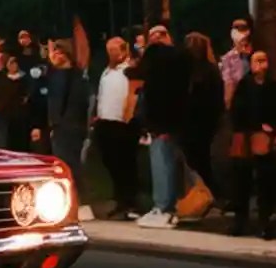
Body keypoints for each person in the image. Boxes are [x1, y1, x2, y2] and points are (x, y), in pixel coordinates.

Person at [134, 25, 191, 230]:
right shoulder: (170, 60)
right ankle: (165, 207)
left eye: (161, 34)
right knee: (163, 164)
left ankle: (164, 208)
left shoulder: (166, 60)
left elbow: (165, 94)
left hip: (164, 122)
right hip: (163, 121)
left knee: (162, 164)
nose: (156, 39)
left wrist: (162, 123)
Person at [229, 51, 276, 239]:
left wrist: (272, 129)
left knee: (266, 180)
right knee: (241, 179)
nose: (260, 64)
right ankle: (240, 220)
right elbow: (235, 109)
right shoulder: (244, 85)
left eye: (263, 60)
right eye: (257, 61)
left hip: (265, 137)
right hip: (245, 136)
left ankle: (265, 221)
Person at [41, 40, 91, 219]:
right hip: (68, 126)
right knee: (69, 165)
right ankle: (75, 202)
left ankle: (80, 203)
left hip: (67, 127)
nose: (52, 56)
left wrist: (57, 124)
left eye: (56, 52)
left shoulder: (65, 77)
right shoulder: (74, 76)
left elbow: (61, 104)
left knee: (69, 166)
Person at [94, 37, 139, 219]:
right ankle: (120, 199)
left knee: (125, 163)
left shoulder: (130, 70)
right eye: (109, 50)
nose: (112, 54)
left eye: (114, 50)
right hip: (105, 121)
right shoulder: (106, 72)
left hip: (122, 123)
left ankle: (130, 202)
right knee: (110, 161)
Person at [183, 33, 224, 198]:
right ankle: (203, 193)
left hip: (200, 122)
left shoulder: (206, 71)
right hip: (198, 122)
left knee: (198, 160)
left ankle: (208, 193)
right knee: (197, 160)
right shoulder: (204, 70)